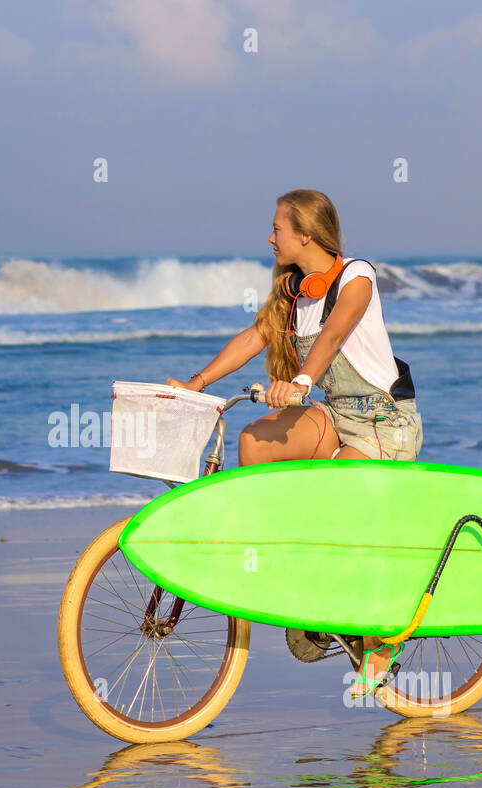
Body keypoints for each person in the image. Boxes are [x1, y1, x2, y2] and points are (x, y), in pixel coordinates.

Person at [166, 188, 423, 699]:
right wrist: (196, 384)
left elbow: (332, 337)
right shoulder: (292, 290)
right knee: (255, 442)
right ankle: (287, 565)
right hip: (335, 415)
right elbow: (251, 338)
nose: (270, 236)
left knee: (334, 499)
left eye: (277, 228)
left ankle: (378, 639)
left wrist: (301, 382)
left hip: (383, 424)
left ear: (306, 235)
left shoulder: (357, 278)